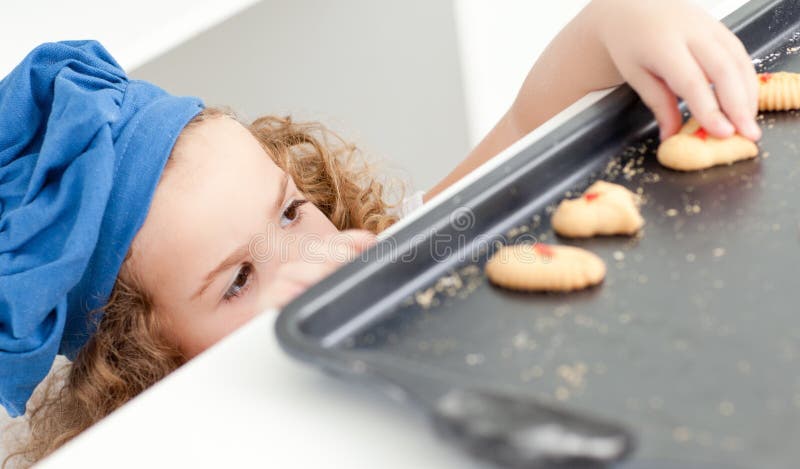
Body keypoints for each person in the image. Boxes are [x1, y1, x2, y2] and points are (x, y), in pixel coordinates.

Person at [0, 0, 760, 465]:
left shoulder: (408, 257)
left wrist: (619, 19)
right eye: (238, 280)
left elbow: (535, 115)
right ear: (141, 375)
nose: (307, 256)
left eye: (291, 210)